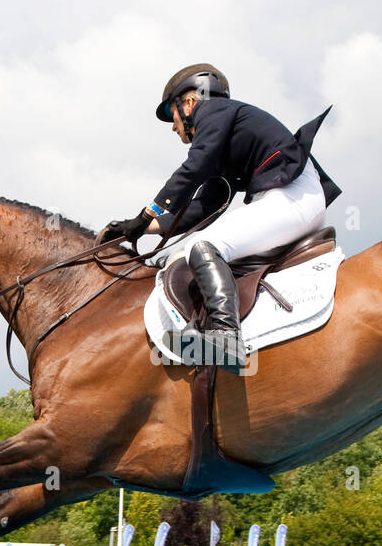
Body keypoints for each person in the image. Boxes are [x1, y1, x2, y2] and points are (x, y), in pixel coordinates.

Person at [100, 64, 341, 374]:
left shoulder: (213, 111)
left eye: (172, 117)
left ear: (189, 104)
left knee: (204, 245)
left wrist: (147, 212)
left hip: (294, 196)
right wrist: (140, 228)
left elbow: (194, 167)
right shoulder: (224, 136)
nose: (175, 128)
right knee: (194, 246)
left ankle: (225, 338)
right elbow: (206, 204)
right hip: (290, 197)